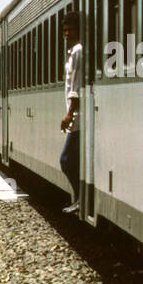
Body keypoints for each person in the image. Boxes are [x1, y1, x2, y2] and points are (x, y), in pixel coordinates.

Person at [59, 13, 83, 214]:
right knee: (71, 160)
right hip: (75, 115)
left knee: (66, 160)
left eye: (71, 29)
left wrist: (69, 114)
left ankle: (80, 198)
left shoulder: (77, 52)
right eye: (65, 30)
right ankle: (79, 198)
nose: (67, 33)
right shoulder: (72, 51)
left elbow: (75, 87)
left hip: (78, 117)